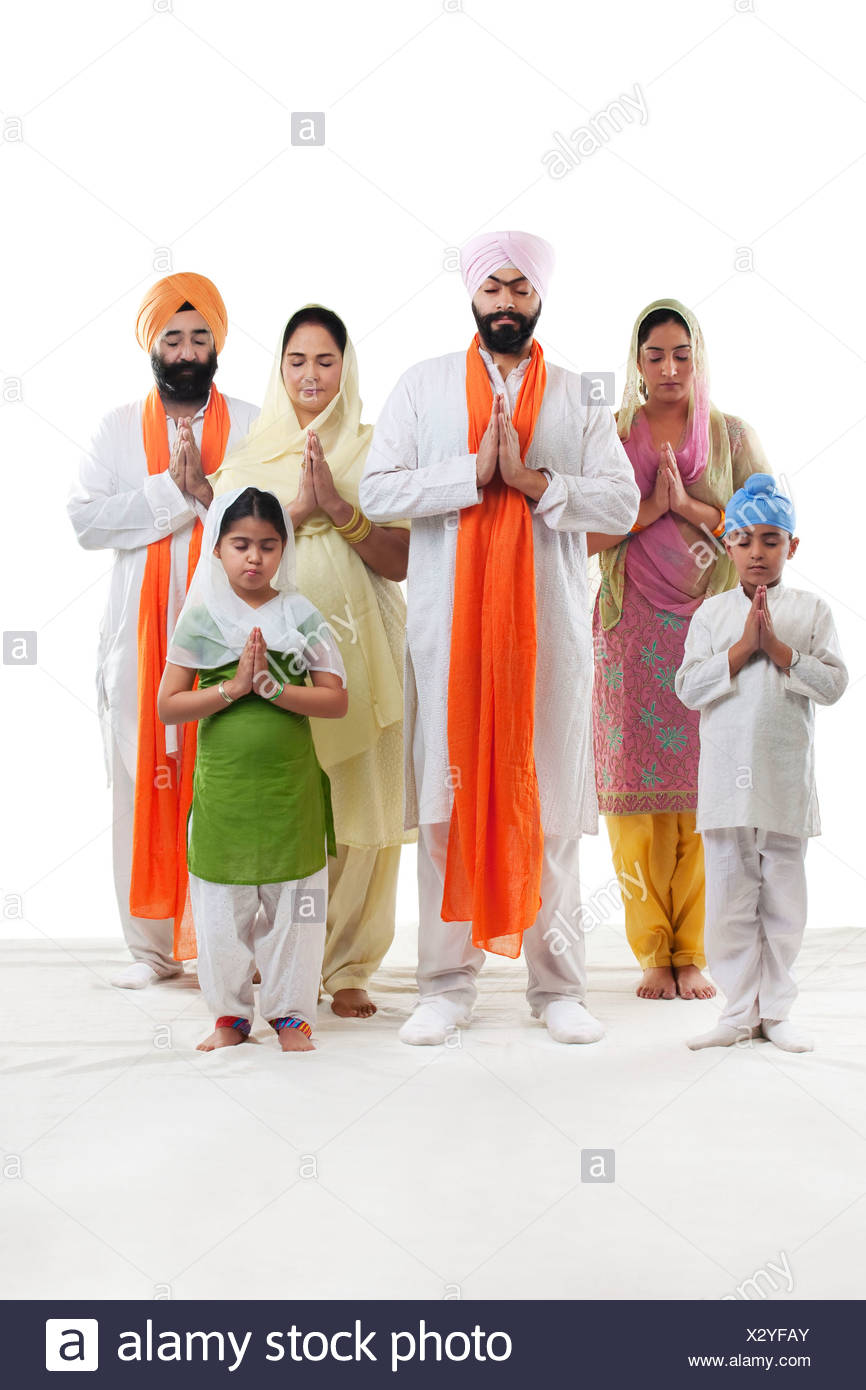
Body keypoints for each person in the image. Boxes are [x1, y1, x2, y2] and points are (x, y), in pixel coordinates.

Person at [360, 230, 640, 1046]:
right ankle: (445, 985)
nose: (506, 302)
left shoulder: (580, 396)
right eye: (493, 288)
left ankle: (558, 990)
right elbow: (377, 488)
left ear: (539, 297)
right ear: (472, 295)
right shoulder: (424, 386)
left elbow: (620, 506)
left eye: (520, 289)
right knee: (447, 808)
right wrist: (471, 477)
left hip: (543, 634)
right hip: (451, 636)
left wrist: (534, 483)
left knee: (548, 805)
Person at [212, 306, 410, 1020]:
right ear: (280, 367)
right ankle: (282, 953)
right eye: (297, 360)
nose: (311, 375)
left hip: (370, 646)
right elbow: (228, 552)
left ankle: (352, 964)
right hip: (275, 649)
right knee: (290, 799)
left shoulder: (377, 445)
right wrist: (298, 508)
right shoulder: (249, 456)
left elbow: (404, 556)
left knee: (364, 801)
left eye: (326, 361)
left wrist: (342, 510)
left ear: (347, 367)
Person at [68, 273, 259, 989]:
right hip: (139, 646)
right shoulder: (118, 427)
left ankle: (236, 949)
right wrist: (171, 492)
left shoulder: (251, 420)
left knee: (229, 782)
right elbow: (87, 520)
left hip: (226, 633)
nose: (186, 352)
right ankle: (150, 951)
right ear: (152, 345)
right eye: (172, 338)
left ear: (218, 344)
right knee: (137, 780)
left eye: (199, 337)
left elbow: (267, 524)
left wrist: (207, 496)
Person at [587, 300, 769, 1001]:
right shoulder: (611, 438)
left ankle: (691, 950)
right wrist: (650, 511)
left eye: (681, 354)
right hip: (629, 629)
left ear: (699, 356)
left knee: (703, 792)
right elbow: (581, 537)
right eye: (655, 354)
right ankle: (650, 951)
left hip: (709, 631)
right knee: (634, 799)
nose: (668, 368)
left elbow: (766, 523)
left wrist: (690, 508)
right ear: (636, 362)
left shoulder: (730, 436)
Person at [158, 486, 348, 1051]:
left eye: (268, 545)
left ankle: (291, 1014)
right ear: (217, 549)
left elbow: (335, 700)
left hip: (290, 789)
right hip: (226, 792)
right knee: (220, 908)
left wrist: (273, 688)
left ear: (283, 551)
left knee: (297, 904)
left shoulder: (302, 615)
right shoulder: (201, 618)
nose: (254, 558)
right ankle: (230, 1017)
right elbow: (169, 704)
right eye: (241, 544)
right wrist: (234, 689)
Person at [675, 475, 847, 1052]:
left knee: (783, 898)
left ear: (791, 547)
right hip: (726, 786)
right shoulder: (712, 615)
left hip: (782, 782)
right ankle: (736, 1011)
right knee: (728, 898)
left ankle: (776, 1011)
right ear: (727, 544)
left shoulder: (812, 612)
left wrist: (778, 651)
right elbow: (687, 688)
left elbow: (833, 686)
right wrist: (742, 649)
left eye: (771, 540)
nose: (757, 552)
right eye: (745, 539)